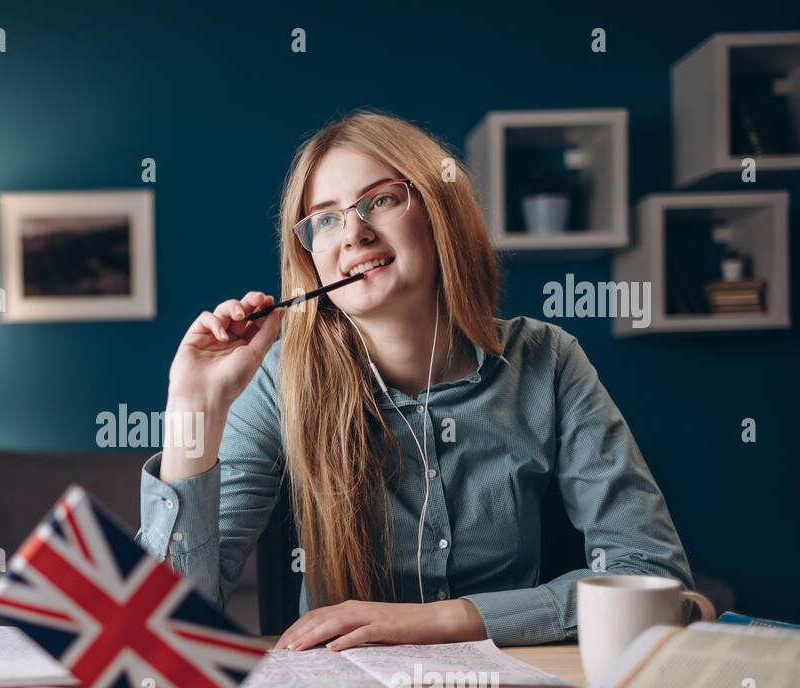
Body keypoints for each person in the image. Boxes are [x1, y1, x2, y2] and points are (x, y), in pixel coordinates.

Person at [134, 109, 692, 650]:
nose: (353, 233)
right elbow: (164, 625)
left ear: (440, 213)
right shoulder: (282, 380)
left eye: (380, 200)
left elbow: (650, 573)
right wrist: (193, 410)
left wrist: (436, 621)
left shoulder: (547, 359)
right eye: (325, 218)